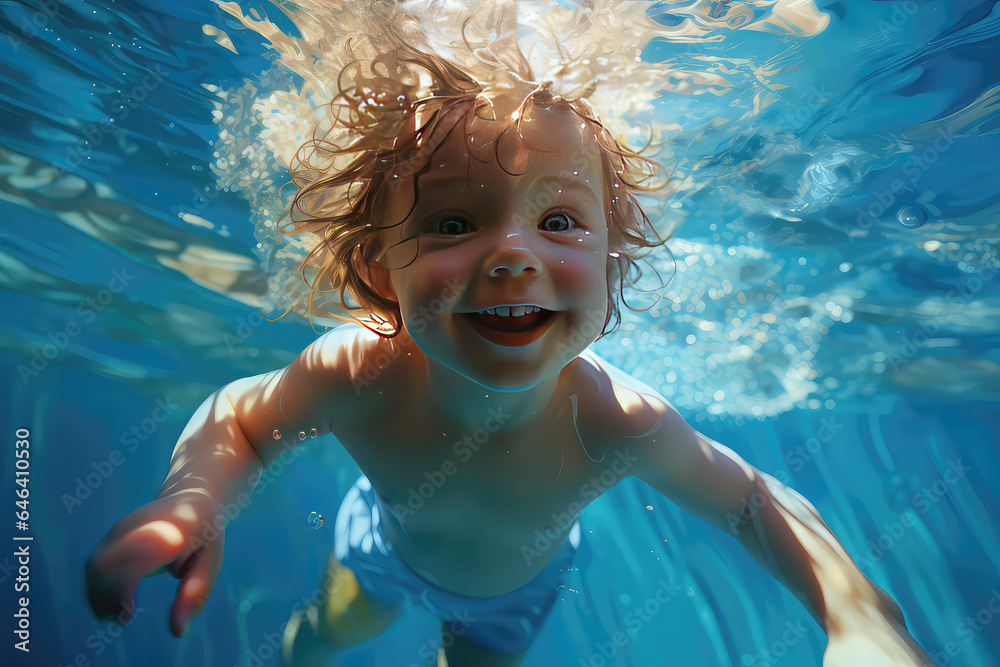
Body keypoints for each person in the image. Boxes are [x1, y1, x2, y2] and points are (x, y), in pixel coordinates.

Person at [87, 3, 935, 666]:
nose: (512, 254)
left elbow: (752, 499)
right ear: (380, 270)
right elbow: (241, 417)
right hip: (380, 548)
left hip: (514, 597)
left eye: (561, 220)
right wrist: (194, 498)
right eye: (455, 219)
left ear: (612, 261)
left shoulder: (617, 420)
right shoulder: (358, 371)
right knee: (327, 638)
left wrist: (859, 613)